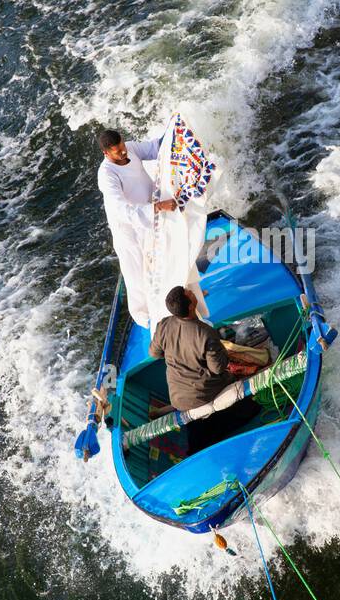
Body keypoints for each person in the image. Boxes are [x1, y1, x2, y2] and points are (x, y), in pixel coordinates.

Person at [149, 286, 257, 453]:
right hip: (204, 394)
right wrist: (223, 351)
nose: (191, 290)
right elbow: (218, 369)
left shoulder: (164, 325)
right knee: (234, 378)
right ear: (191, 306)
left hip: (178, 398)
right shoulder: (205, 333)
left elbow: (154, 353)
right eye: (189, 292)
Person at [97, 128, 176, 326]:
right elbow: (122, 209)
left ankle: (178, 294)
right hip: (128, 229)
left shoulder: (130, 148)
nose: (123, 152)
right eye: (117, 151)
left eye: (122, 146)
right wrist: (158, 207)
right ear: (106, 153)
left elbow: (155, 148)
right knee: (137, 273)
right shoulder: (107, 175)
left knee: (166, 255)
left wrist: (175, 128)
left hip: (150, 215)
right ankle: (145, 317)